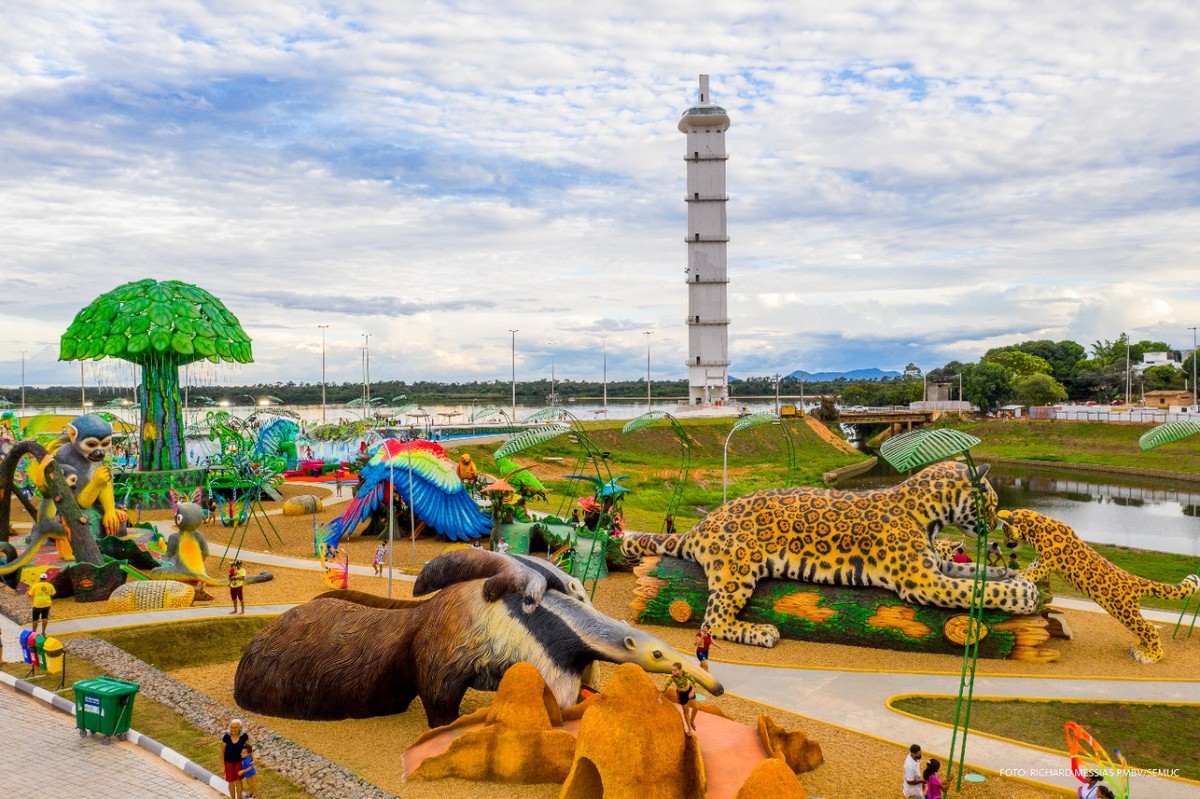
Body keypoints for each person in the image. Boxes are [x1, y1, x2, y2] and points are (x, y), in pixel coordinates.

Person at [659, 662, 700, 735]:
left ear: (680, 670)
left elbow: (693, 681)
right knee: (686, 711)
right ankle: (689, 728)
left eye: (675, 670)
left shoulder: (685, 673)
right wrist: (660, 697)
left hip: (689, 690)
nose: (673, 672)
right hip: (682, 694)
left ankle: (692, 720)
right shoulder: (673, 677)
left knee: (696, 707)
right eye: (672, 670)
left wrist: (692, 691)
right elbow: (666, 686)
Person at [221, 719, 249, 799]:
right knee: (231, 782)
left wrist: (252, 760)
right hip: (228, 762)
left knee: (239, 781)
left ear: (240, 727)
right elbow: (222, 752)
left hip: (239, 762)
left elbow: (249, 749)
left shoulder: (244, 736)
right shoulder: (226, 737)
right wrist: (222, 766)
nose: (233, 729)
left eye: (235, 728)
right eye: (231, 727)